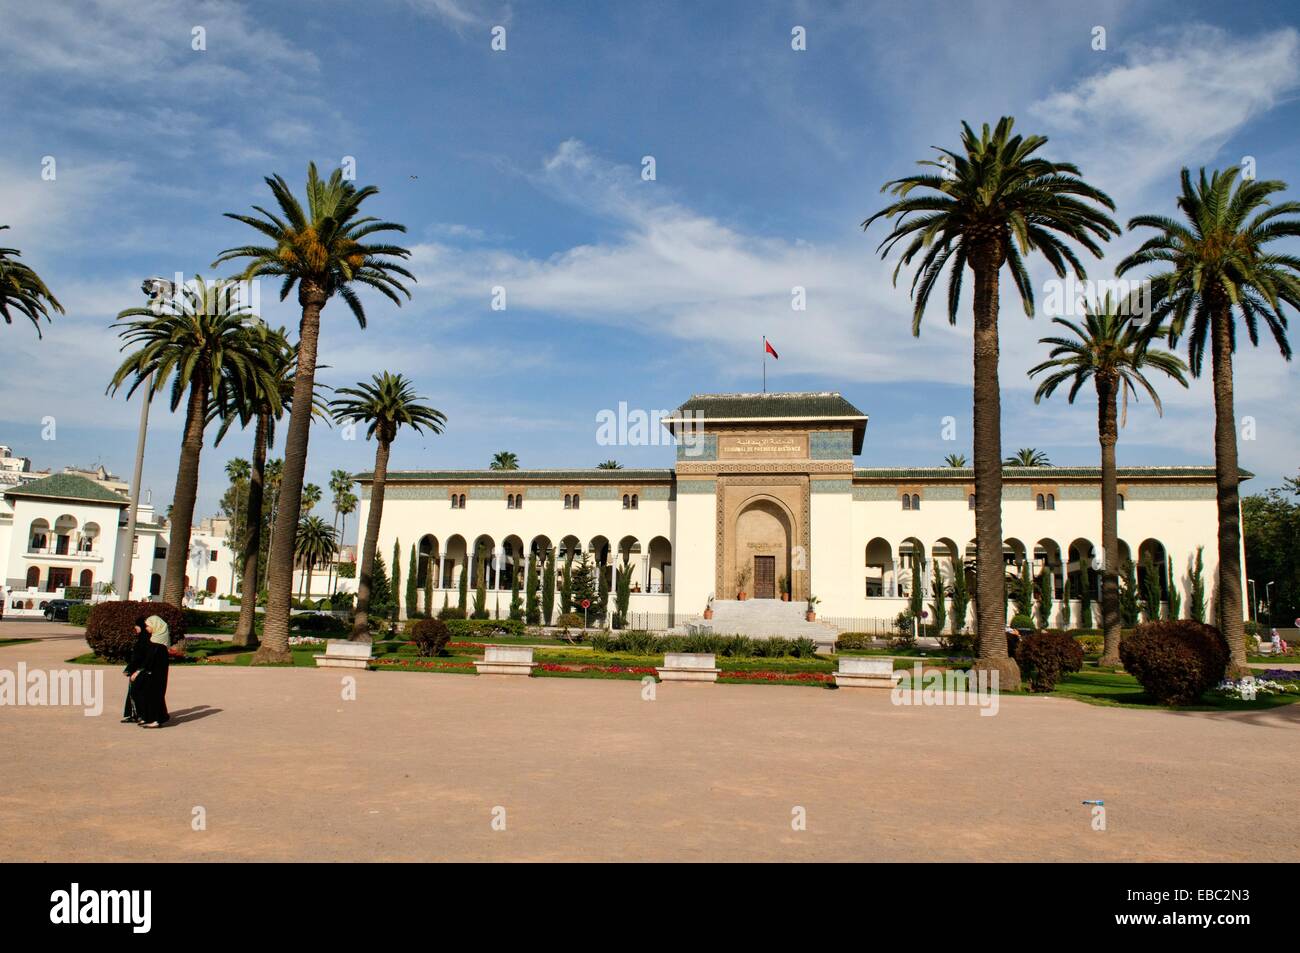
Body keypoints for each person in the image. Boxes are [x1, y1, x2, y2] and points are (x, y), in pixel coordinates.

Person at [131, 615, 171, 728]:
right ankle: (148, 717)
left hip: (155, 675)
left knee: (154, 696)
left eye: (148, 626)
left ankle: (157, 719)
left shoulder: (159, 645)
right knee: (144, 693)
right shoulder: (154, 640)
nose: (147, 628)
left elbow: (150, 661)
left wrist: (138, 672)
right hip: (150, 673)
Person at [121, 616, 150, 724]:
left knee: (138, 693)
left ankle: (141, 715)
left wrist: (133, 669)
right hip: (135, 669)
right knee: (132, 692)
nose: (135, 628)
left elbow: (141, 657)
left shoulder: (145, 640)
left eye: (137, 626)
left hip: (140, 670)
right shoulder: (141, 638)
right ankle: (134, 714)